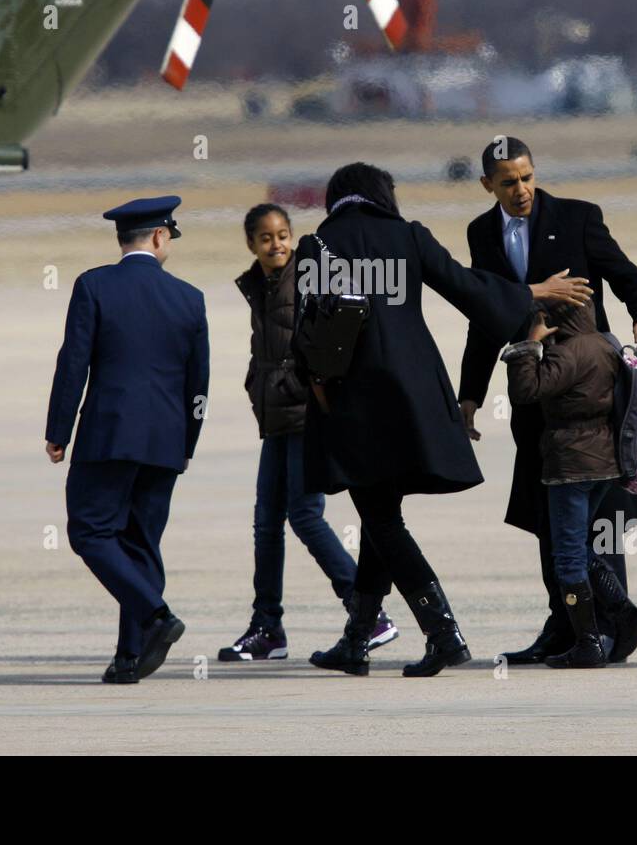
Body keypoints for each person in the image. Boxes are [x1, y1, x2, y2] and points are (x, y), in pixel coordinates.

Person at [297, 162, 592, 677]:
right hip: (415, 397)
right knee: (379, 514)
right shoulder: (408, 235)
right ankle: (356, 638)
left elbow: (304, 335)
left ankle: (443, 634)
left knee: (381, 517)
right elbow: (465, 287)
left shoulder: (318, 245)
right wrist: (530, 293)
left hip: (355, 401)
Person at [457, 136, 637, 664]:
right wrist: (470, 396)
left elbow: (626, 275)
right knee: (549, 520)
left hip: (590, 397)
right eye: (508, 182)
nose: (521, 189)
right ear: (488, 186)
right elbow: (485, 318)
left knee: (599, 521)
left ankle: (611, 627)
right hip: (533, 400)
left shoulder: (577, 218)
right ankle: (565, 626)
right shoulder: (482, 233)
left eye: (526, 177)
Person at [219, 203, 398, 661]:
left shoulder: (306, 278)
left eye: (283, 235)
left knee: (304, 515)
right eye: (265, 238)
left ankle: (368, 613)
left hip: (306, 414)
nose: (276, 244)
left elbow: (334, 339)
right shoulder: (259, 284)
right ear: (251, 244)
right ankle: (268, 628)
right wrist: (255, 382)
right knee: (265, 523)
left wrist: (311, 388)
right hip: (275, 416)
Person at [44, 196, 210, 684]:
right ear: (160, 236)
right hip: (166, 440)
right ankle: (129, 658)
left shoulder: (93, 285)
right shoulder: (189, 297)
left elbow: (73, 363)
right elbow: (198, 383)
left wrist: (59, 430)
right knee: (140, 545)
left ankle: (157, 618)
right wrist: (188, 443)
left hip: (108, 434)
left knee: (91, 532)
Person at [503, 296, 637, 668]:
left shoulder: (566, 354)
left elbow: (525, 391)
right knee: (579, 547)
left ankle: (590, 641)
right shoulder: (607, 344)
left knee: (567, 557)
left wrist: (527, 347)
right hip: (606, 461)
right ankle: (624, 614)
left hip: (572, 464)